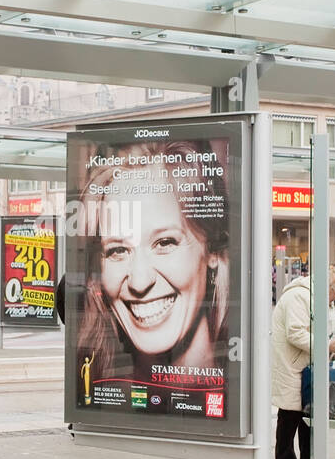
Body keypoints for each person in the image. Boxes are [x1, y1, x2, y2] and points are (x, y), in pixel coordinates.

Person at [75, 138, 230, 390]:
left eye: (165, 242)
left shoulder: (237, 389)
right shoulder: (94, 385)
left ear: (211, 250)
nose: (139, 280)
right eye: (117, 250)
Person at [271, 265, 335, 459]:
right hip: (291, 363)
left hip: (308, 364)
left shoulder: (321, 299)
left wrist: (330, 348)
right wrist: (327, 346)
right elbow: (295, 333)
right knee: (290, 415)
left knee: (309, 415)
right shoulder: (299, 296)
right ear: (329, 287)